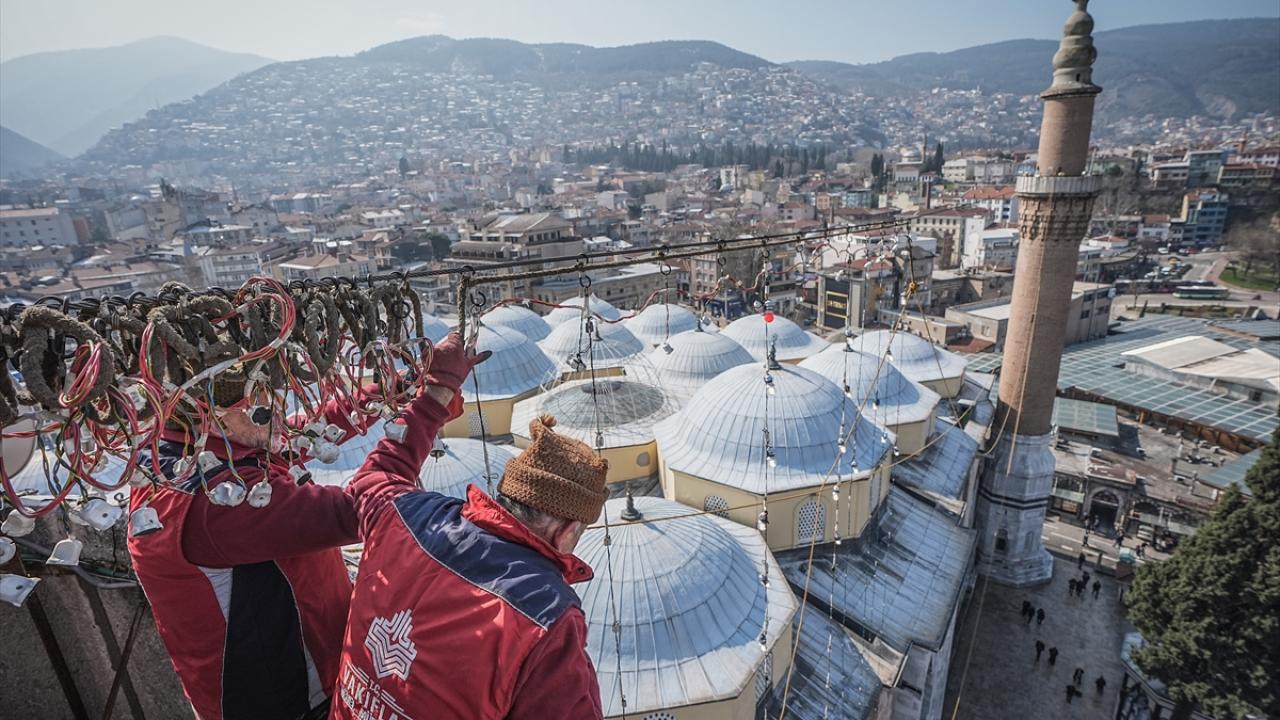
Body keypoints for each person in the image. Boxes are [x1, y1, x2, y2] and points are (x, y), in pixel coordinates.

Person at [333, 336, 607, 719]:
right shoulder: (546, 616)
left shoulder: (408, 515)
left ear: (506, 495)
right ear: (568, 532)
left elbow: (374, 477)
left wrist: (437, 393)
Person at [127, 353, 401, 720]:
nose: (276, 410)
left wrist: (388, 391)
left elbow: (300, 435)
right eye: (260, 406)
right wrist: (429, 406)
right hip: (293, 704)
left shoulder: (179, 452)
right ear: (213, 415)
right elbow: (361, 509)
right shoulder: (219, 502)